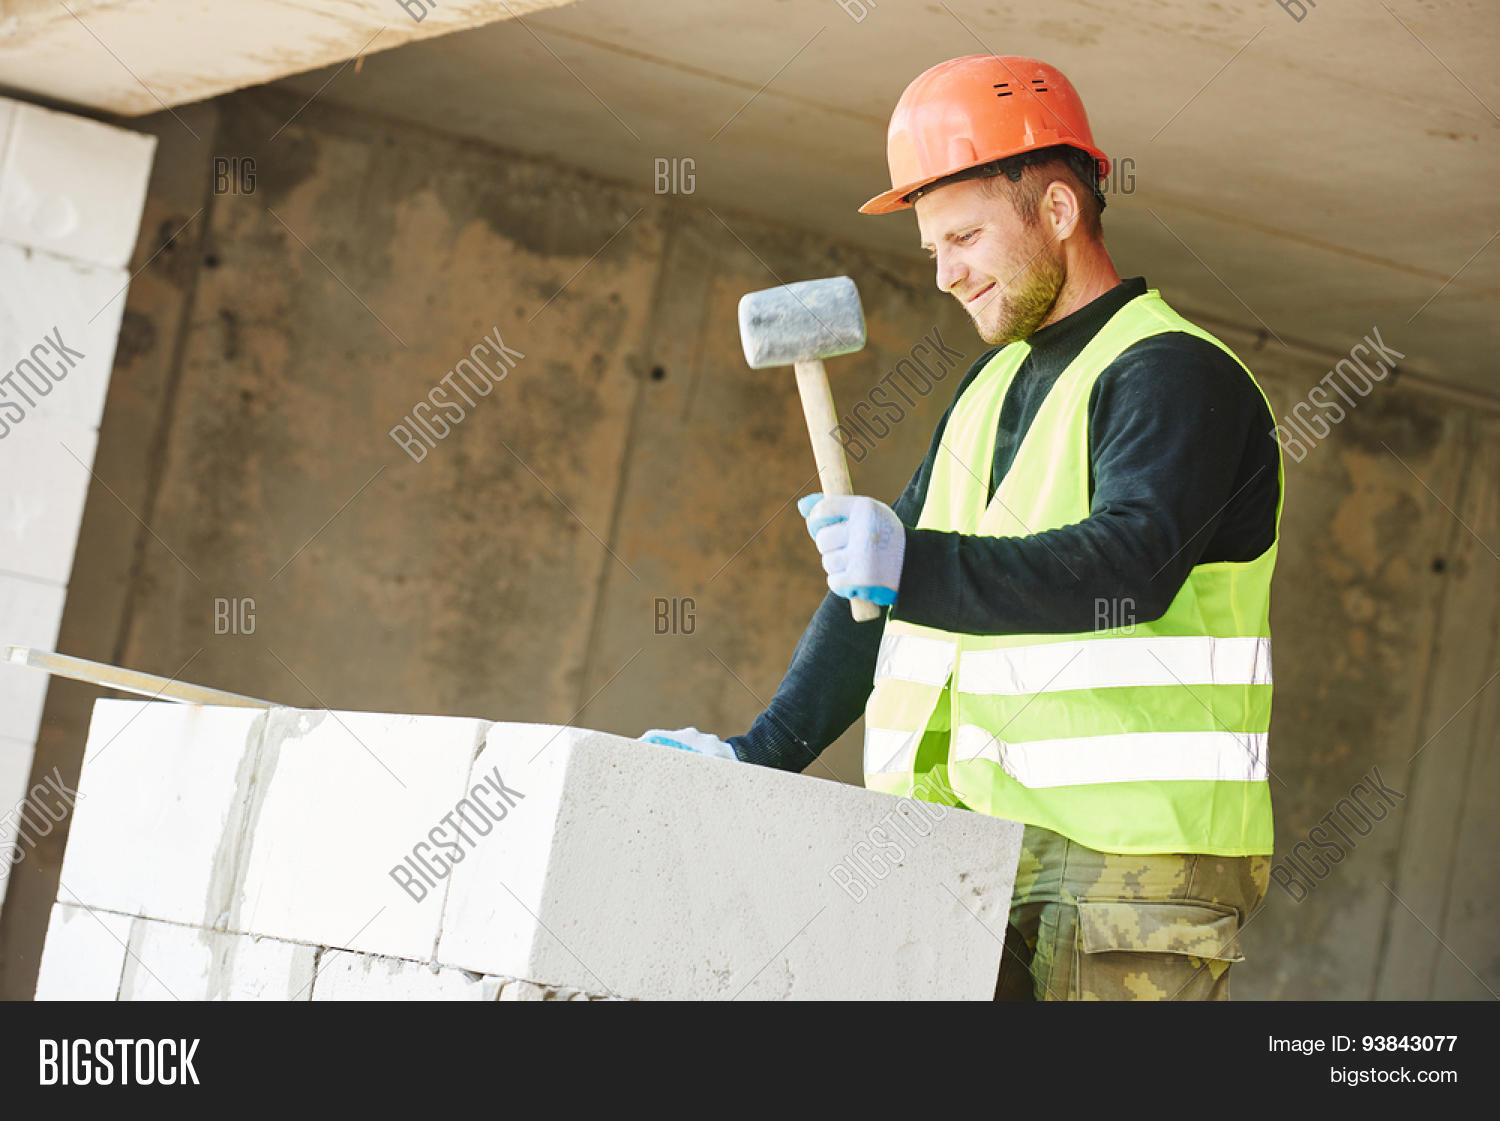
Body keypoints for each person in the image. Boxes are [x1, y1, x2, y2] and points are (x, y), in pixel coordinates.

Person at [643, 54, 1282, 1001]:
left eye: (966, 237)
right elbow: (881, 603)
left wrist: (912, 566)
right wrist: (758, 752)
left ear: (1058, 211)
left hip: (1132, 867)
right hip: (976, 848)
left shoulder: (1174, 374)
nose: (945, 275)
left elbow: (1130, 570)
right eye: (932, 248)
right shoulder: (989, 390)